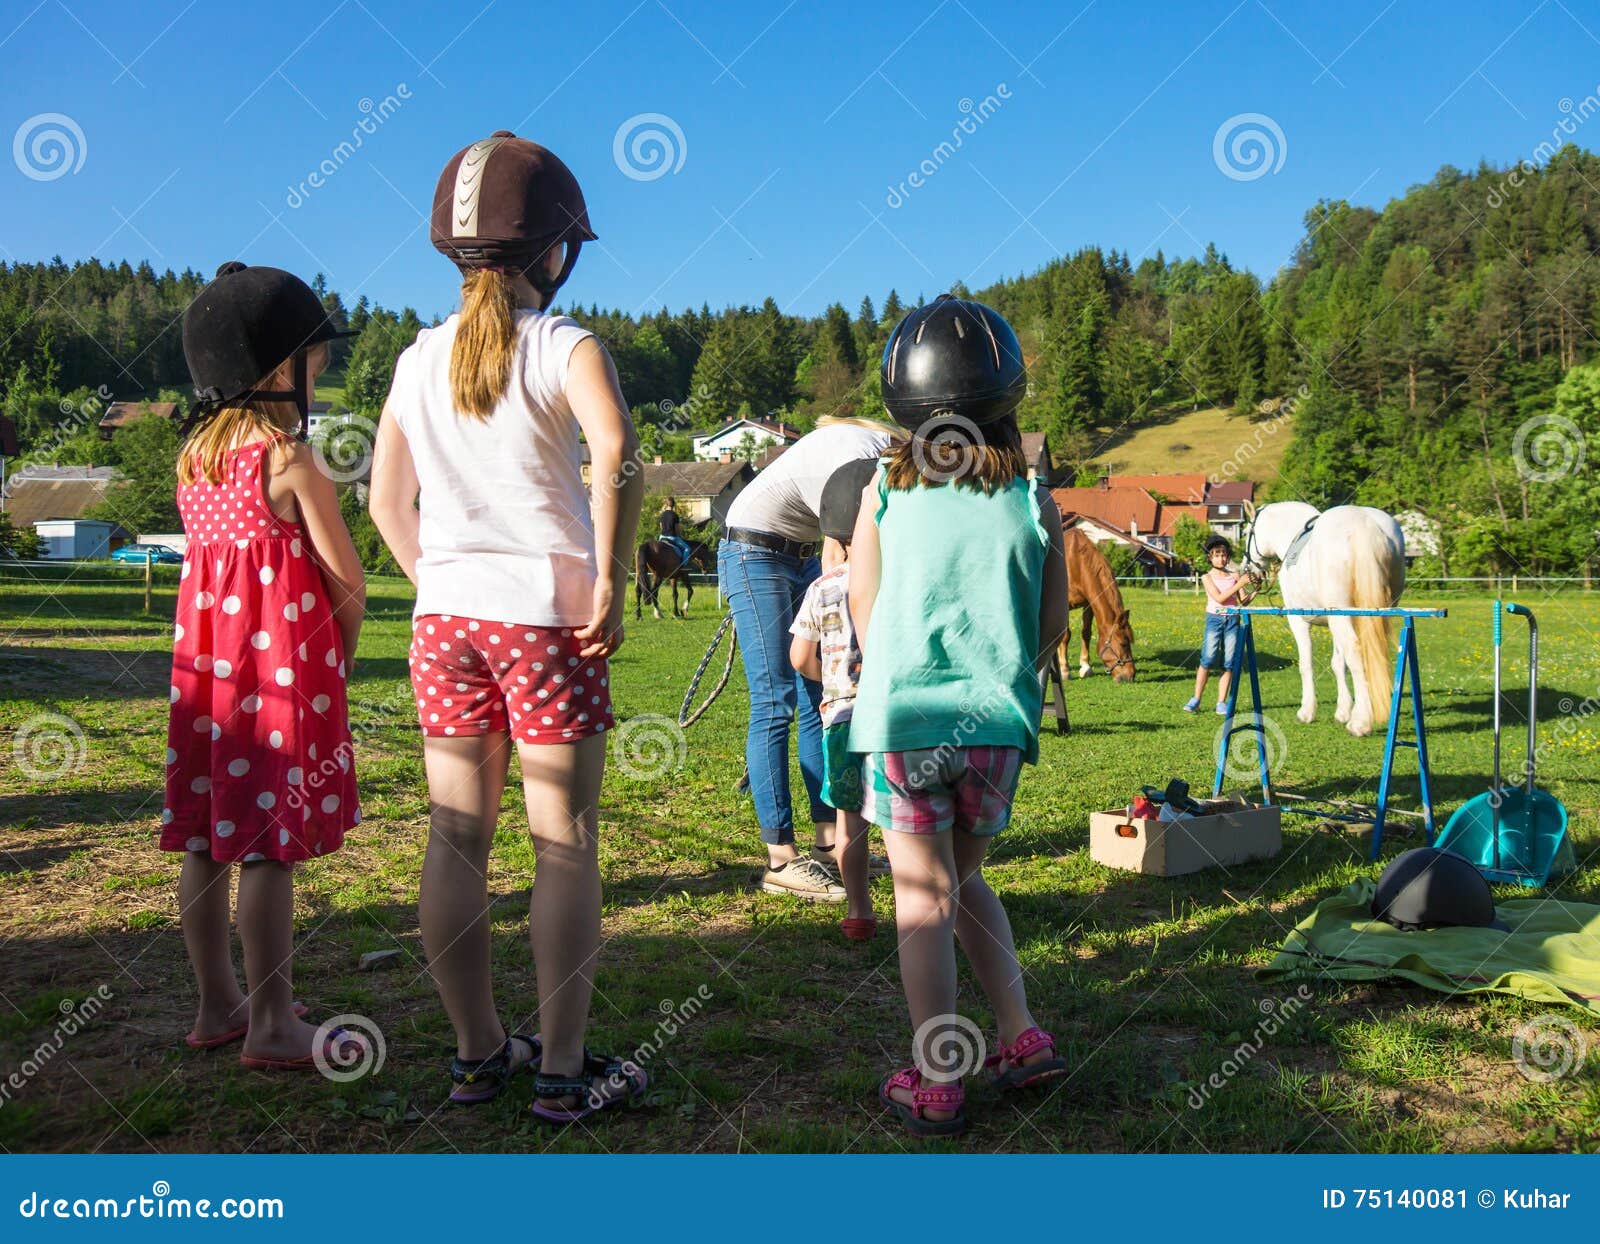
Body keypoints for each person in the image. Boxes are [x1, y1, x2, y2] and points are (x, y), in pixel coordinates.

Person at [369, 131, 646, 1123]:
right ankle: (565, 1070)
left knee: (455, 838)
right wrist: (608, 570)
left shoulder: (413, 360)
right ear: (557, 251)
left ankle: (477, 1052)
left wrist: (438, 579)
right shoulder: (564, 343)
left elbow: (384, 504)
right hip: (546, 622)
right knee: (562, 841)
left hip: (446, 621)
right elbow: (612, 450)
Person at [848, 295, 1071, 1137]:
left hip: (905, 722)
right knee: (960, 880)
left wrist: (905, 659)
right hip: (996, 727)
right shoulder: (1031, 496)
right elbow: (1051, 624)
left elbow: (864, 606)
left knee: (923, 897)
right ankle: (1020, 1034)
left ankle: (938, 1075)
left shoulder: (882, 488)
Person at [164, 262, 365, 1071]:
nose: (318, 375)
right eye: (314, 363)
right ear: (281, 369)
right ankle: (273, 1023)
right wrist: (337, 660)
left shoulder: (194, 464)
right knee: (267, 849)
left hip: (208, 689)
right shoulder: (288, 461)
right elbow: (347, 580)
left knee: (208, 843)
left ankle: (219, 1003)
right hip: (284, 681)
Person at [718, 416, 903, 900]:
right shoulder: (855, 466)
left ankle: (830, 843)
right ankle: (780, 858)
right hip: (753, 550)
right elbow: (839, 563)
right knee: (775, 699)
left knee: (816, 696)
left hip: (792, 551)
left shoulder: (880, 456)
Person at [788, 457, 881, 940]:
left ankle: (859, 912)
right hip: (894, 718)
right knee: (917, 821)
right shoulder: (897, 578)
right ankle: (934, 910)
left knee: (850, 822)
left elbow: (799, 657)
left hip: (842, 718)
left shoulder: (821, 588)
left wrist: (827, 675)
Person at [1184, 534, 1254, 714]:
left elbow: (1243, 601)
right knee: (1207, 659)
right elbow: (1221, 599)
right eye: (1216, 554)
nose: (1220, 558)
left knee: (1228, 662)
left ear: (1227, 556)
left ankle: (1221, 702)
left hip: (1232, 620)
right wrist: (1240, 583)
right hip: (1214, 620)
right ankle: (1196, 699)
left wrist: (1256, 588)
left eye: (1223, 554)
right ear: (1210, 557)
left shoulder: (1235, 575)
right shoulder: (1207, 577)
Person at [657, 496, 692, 568]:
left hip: (662, 537)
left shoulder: (662, 515)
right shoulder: (675, 515)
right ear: (674, 505)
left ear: (666, 504)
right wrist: (681, 536)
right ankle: (683, 567)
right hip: (672, 537)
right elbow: (677, 529)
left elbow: (661, 527)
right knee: (687, 548)